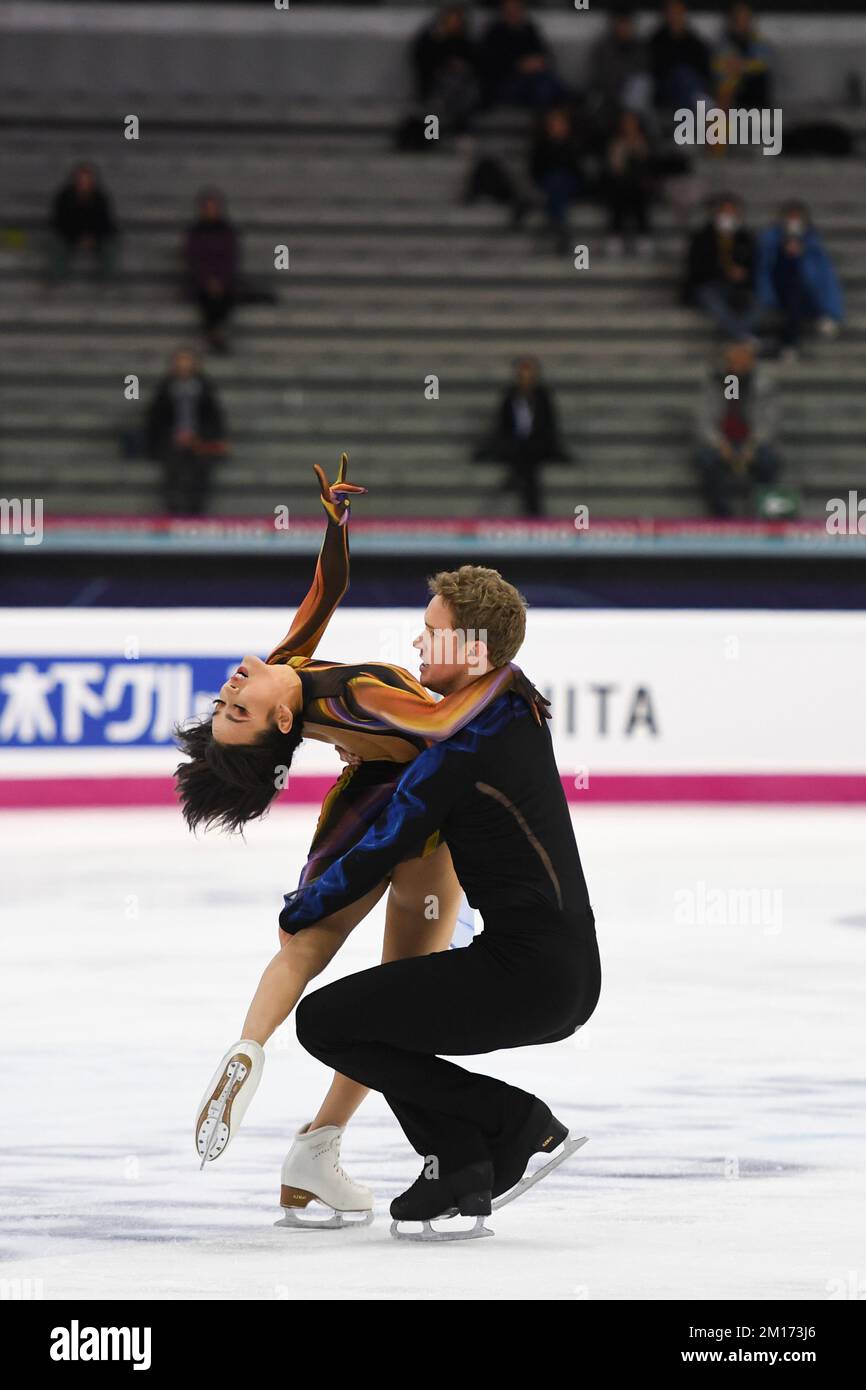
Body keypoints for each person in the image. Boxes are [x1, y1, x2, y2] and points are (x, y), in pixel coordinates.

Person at [183, 457, 549, 1215]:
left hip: (365, 801)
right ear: (284, 724)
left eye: (225, 698)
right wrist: (507, 679)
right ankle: (310, 1133)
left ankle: (263, 1069)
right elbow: (440, 726)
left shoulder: (288, 671)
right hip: (421, 806)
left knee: (313, 950)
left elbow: (328, 590)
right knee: (393, 1003)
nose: (232, 686)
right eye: (237, 708)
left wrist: (335, 526)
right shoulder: (354, 693)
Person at [281, 576, 601, 1239]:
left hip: (530, 975)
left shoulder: (463, 745)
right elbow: (413, 736)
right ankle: (456, 1163)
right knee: (378, 1015)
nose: (418, 641)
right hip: (558, 969)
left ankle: (516, 1121)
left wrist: (302, 908)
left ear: (474, 648)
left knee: (325, 1021)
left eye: (433, 631)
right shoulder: (511, 704)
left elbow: (383, 842)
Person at [473, 356, 570, 516]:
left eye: (529, 372)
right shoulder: (510, 396)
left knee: (528, 458)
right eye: (523, 372)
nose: (526, 376)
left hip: (538, 445)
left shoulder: (542, 396)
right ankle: (531, 507)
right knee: (521, 457)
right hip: (515, 445)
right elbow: (502, 425)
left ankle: (516, 482)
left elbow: (549, 425)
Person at [695, 341, 782, 517]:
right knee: (707, 461)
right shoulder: (717, 383)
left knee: (768, 461)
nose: (737, 366)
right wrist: (720, 444)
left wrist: (752, 444)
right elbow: (703, 420)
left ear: (750, 363)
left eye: (742, 362)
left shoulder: (762, 386)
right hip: (722, 441)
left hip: (753, 442)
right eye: (732, 362)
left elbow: (769, 421)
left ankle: (759, 512)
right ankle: (722, 514)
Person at [754, 202, 844, 359]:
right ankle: (794, 339)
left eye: (797, 218)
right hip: (779, 289)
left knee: (795, 298)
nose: (793, 222)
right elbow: (764, 269)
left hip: (803, 291)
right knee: (793, 297)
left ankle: (789, 344)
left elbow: (824, 278)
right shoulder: (770, 240)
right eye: (791, 217)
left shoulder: (812, 244)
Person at [145, 348, 228, 515]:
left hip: (199, 439)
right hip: (172, 439)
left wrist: (200, 438)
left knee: (202, 465)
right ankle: (173, 507)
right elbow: (155, 418)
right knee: (172, 467)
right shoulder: (166, 386)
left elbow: (214, 417)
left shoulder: (204, 386)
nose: (184, 367)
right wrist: (173, 435)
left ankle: (196, 507)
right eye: (180, 364)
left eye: (187, 363)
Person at [683, 194, 758, 344]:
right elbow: (696, 269)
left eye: (732, 212)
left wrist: (743, 274)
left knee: (762, 300)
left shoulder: (745, 238)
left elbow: (754, 266)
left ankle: (737, 334)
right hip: (708, 285)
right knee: (712, 299)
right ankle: (741, 336)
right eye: (725, 212)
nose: (728, 216)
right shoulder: (702, 237)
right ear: (716, 213)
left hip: (738, 288)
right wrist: (724, 272)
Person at [479, 0, 570, 112]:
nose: (514, 11)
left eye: (517, 8)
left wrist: (538, 62)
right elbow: (489, 65)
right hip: (507, 84)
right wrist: (519, 65)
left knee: (543, 81)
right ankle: (566, 101)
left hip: (534, 78)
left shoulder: (529, 30)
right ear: (503, 10)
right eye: (510, 8)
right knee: (543, 86)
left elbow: (544, 54)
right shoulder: (495, 33)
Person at [184, 189, 240, 353]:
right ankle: (216, 334)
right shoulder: (195, 232)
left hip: (224, 282)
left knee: (223, 297)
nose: (211, 211)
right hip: (201, 283)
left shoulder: (227, 231)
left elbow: (230, 259)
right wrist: (207, 281)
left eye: (213, 207)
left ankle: (213, 333)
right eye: (207, 208)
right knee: (208, 299)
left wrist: (220, 281)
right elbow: (193, 259)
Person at [411, 2, 481, 135]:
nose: (454, 24)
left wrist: (461, 66)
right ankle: (431, 136)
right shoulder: (431, 39)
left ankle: (461, 132)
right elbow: (422, 62)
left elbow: (476, 64)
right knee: (435, 104)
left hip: (461, 89)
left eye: (457, 21)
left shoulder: (465, 42)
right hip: (435, 86)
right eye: (450, 20)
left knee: (468, 94)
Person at [529, 106, 587, 255]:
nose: (557, 127)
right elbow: (535, 170)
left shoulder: (573, 144)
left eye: (560, 124)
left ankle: (556, 223)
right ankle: (560, 226)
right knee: (555, 182)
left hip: (570, 184)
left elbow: (578, 170)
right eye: (554, 124)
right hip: (548, 183)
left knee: (558, 181)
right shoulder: (541, 145)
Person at [48, 161, 117, 280]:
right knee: (57, 245)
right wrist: (78, 237)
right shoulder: (64, 197)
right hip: (69, 236)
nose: (84, 183)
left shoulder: (100, 197)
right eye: (81, 179)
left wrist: (92, 237)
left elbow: (105, 223)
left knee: (109, 246)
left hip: (95, 237)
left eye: (87, 179)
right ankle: (56, 280)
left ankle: (109, 282)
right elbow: (60, 222)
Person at [603, 109, 655, 256]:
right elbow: (615, 168)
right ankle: (615, 235)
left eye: (632, 124)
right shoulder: (616, 143)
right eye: (626, 124)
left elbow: (648, 165)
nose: (629, 127)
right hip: (620, 185)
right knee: (620, 193)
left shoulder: (644, 142)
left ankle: (643, 235)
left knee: (638, 193)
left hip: (640, 186)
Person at [649, 0, 711, 113]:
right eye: (671, 12)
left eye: (677, 13)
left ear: (683, 14)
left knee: (687, 80)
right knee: (682, 75)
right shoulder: (657, 41)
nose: (674, 17)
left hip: (691, 90)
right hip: (666, 88)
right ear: (665, 15)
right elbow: (655, 71)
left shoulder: (694, 42)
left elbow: (704, 72)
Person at [713, 2, 773, 112]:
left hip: (752, 87)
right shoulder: (722, 44)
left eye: (745, 17)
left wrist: (742, 65)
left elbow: (764, 63)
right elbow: (719, 67)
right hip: (731, 89)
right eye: (738, 17)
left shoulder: (758, 42)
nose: (741, 21)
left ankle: (758, 119)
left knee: (759, 78)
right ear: (731, 19)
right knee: (725, 88)